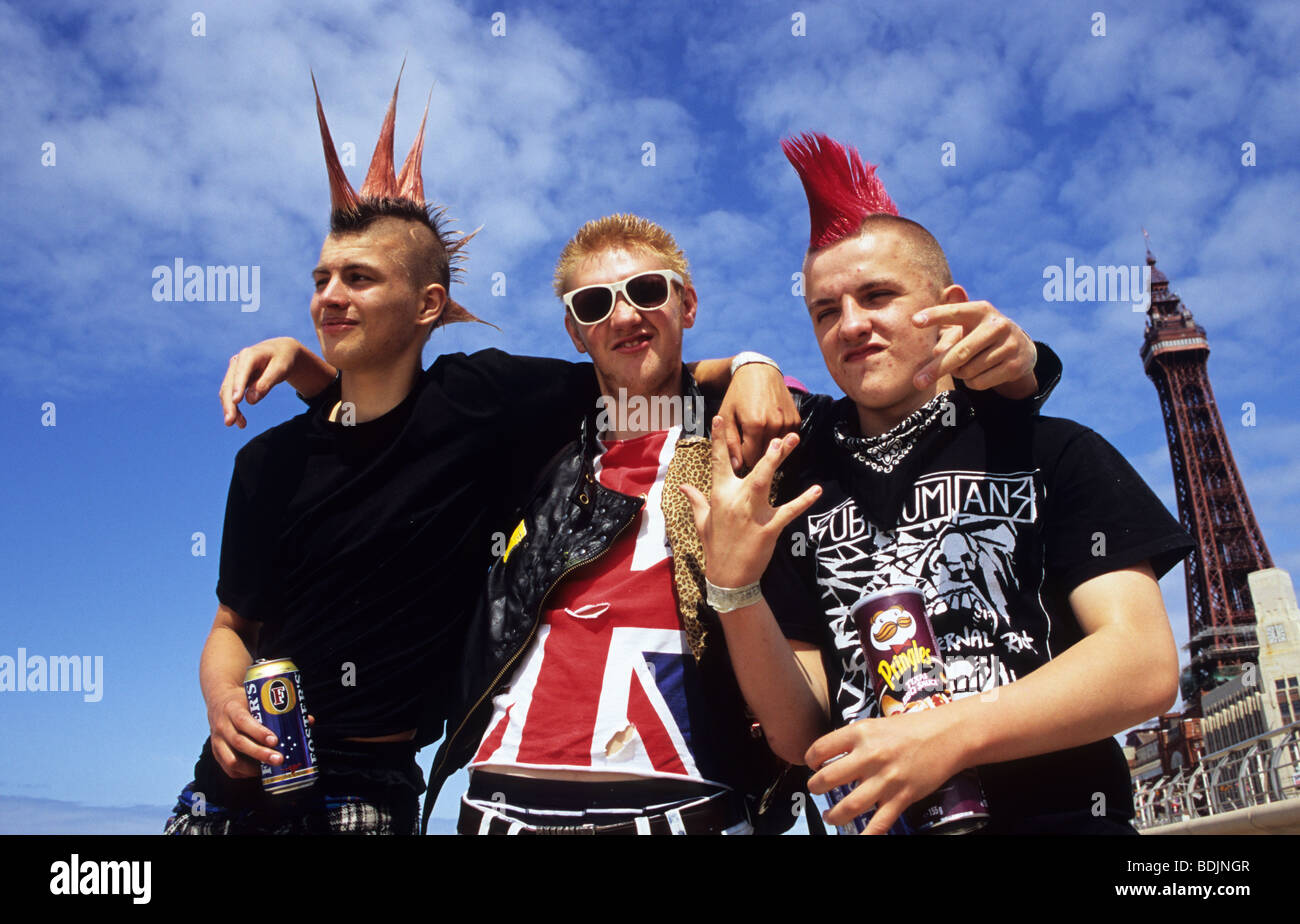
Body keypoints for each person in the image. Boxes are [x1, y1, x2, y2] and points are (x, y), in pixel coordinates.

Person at [165, 74, 789, 835]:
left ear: (429, 305)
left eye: (359, 278)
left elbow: (636, 367)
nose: (330, 295)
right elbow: (233, 625)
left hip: (367, 789)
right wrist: (223, 698)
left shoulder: (484, 401)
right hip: (227, 786)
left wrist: (755, 365)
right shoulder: (266, 462)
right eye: (322, 279)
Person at [421, 212, 1046, 835]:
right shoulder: (538, 450)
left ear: (686, 304)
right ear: (574, 330)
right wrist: (748, 361)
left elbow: (911, 426)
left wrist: (1022, 373)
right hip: (497, 799)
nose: (623, 316)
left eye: (646, 291)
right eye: (593, 303)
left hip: (692, 798)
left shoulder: (769, 432)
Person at [680, 133, 1194, 835]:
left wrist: (953, 733)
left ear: (949, 305)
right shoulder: (797, 490)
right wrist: (733, 589)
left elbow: (1142, 666)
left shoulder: (1051, 447)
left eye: (878, 295)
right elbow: (801, 732)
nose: (852, 325)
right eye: (826, 311)